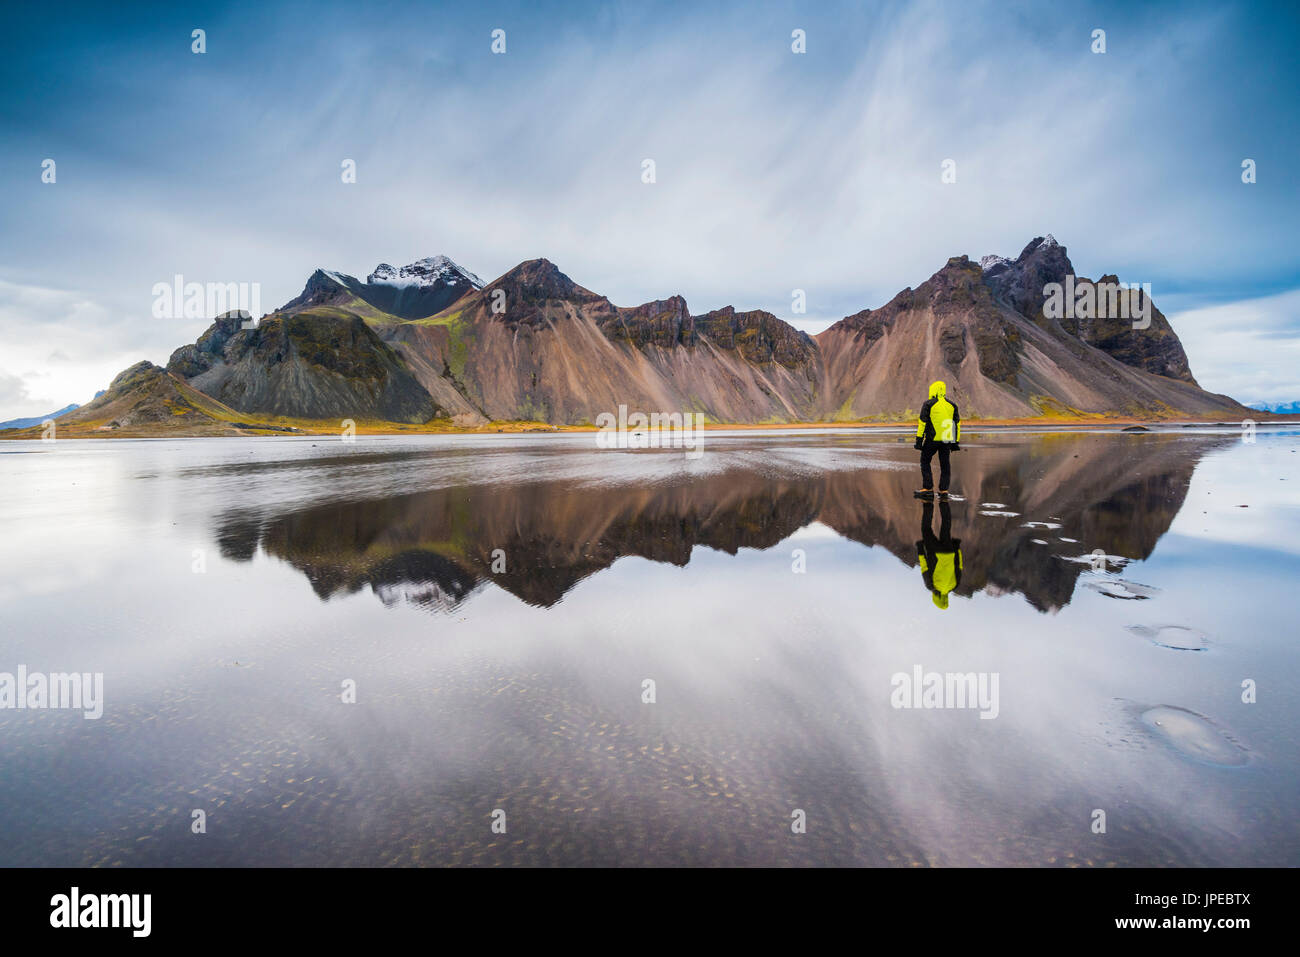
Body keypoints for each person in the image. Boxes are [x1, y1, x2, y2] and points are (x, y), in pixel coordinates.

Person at [914, 380, 961, 497]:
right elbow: (957, 424)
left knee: (925, 461)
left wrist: (919, 441)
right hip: (947, 440)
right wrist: (955, 443)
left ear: (933, 389)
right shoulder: (952, 405)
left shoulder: (928, 404)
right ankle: (944, 490)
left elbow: (922, 423)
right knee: (945, 464)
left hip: (932, 439)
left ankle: (928, 488)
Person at [917, 498, 962, 610]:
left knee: (946, 527)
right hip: (936, 552)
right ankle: (928, 502)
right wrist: (920, 549)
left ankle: (944, 502)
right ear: (936, 599)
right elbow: (924, 567)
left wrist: (957, 547)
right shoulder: (931, 586)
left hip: (949, 551)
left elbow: (959, 566)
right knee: (926, 530)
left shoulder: (955, 585)